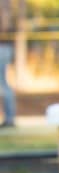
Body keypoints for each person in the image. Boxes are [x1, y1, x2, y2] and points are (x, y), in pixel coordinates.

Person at [0, 0, 16, 128]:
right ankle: (9, 118)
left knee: (3, 84)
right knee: (3, 84)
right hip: (5, 47)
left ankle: (10, 118)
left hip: (2, 47)